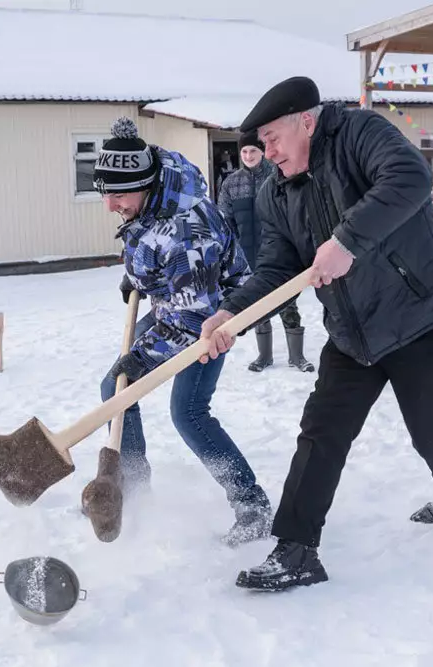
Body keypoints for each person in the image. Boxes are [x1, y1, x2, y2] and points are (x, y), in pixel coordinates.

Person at [200, 76, 433, 592]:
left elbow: (410, 179)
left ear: (306, 122)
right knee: (321, 432)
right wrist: (232, 314)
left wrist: (346, 241)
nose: (266, 153)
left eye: (272, 139)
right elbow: (276, 270)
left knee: (431, 432)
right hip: (352, 335)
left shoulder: (360, 133)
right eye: (260, 144)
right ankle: (296, 549)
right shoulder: (276, 193)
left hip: (420, 317)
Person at [94, 117, 273, 547]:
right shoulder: (157, 190)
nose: (111, 205)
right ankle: (133, 493)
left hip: (213, 319)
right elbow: (148, 237)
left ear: (144, 184)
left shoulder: (188, 233)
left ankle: (252, 506)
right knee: (115, 390)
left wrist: (143, 356)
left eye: (120, 194)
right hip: (176, 304)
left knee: (188, 413)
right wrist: (141, 275)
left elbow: (195, 320)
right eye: (107, 193)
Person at [217, 129, 314, 372]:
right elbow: (224, 221)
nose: (249, 155)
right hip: (248, 257)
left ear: (262, 152)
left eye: (253, 150)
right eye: (245, 151)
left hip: (279, 254)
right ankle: (264, 356)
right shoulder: (231, 183)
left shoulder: (277, 177)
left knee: (288, 303)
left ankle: (296, 356)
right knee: (258, 307)